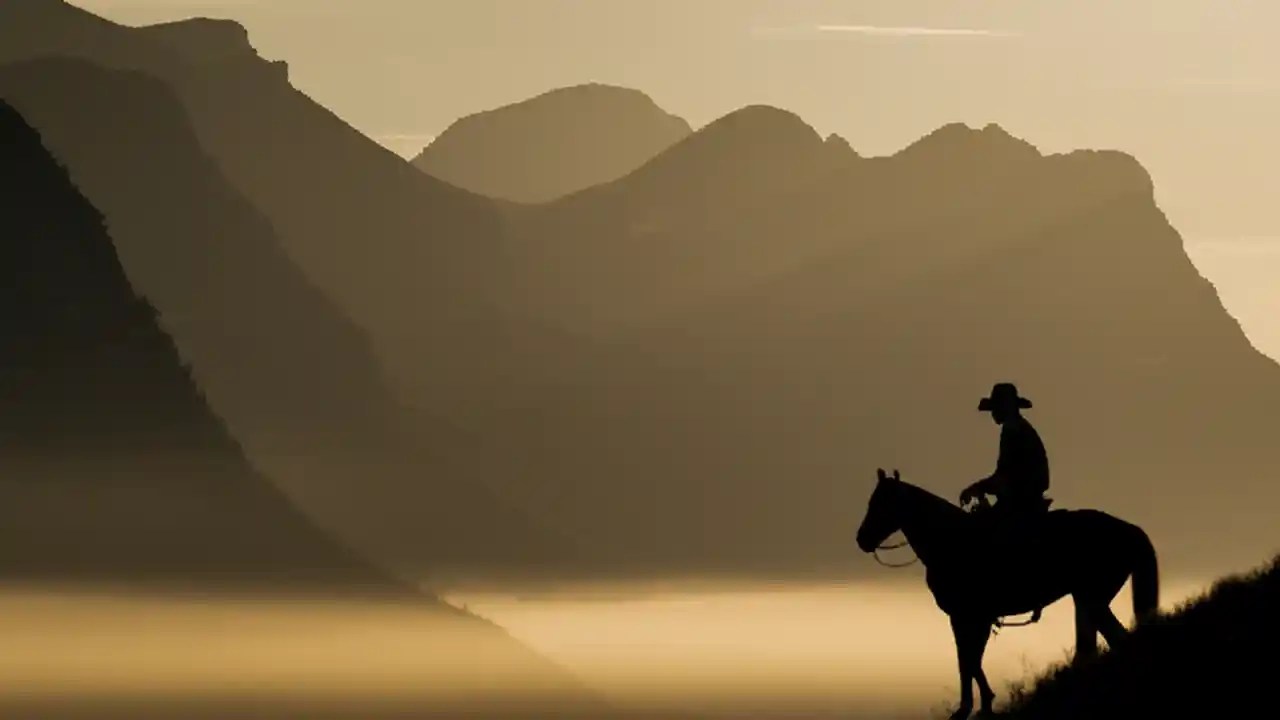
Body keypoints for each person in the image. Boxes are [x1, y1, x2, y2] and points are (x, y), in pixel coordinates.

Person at [959, 381, 1052, 622]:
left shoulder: (1013, 432)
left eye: (996, 408)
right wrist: (983, 486)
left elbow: (1006, 475)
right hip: (1024, 495)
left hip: (1022, 499)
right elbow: (1005, 474)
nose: (993, 414)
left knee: (987, 536)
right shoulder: (1017, 429)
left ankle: (998, 594)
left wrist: (979, 487)